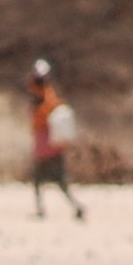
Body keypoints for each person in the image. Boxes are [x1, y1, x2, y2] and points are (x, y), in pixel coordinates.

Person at [26, 59, 85, 222]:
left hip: (46, 145)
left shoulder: (44, 98)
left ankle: (43, 209)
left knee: (42, 179)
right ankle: (74, 206)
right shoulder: (47, 95)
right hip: (51, 145)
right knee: (56, 180)